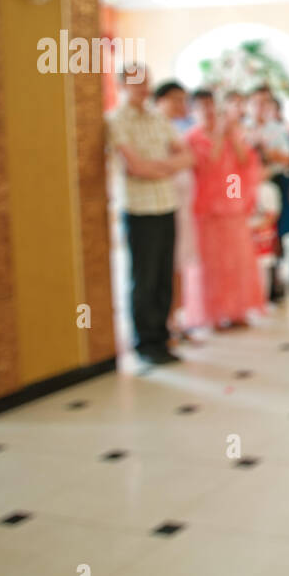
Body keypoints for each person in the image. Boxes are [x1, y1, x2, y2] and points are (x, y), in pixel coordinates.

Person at [107, 64, 193, 366]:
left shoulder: (158, 118)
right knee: (143, 277)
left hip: (166, 204)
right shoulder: (116, 120)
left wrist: (157, 167)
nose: (144, 88)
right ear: (122, 85)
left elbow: (187, 156)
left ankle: (162, 336)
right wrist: (164, 166)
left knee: (163, 275)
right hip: (139, 208)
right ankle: (145, 342)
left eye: (146, 82)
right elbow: (135, 167)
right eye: (137, 83)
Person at [184, 89, 265, 329]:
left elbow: (244, 162)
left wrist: (232, 138)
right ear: (193, 111)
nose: (209, 111)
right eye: (202, 107)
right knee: (212, 264)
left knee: (237, 260)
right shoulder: (193, 138)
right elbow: (207, 164)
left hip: (232, 203)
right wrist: (219, 137)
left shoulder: (232, 134)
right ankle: (214, 314)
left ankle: (237, 309)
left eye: (211, 106)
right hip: (207, 209)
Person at [152, 80, 205, 334]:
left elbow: (190, 159)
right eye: (175, 99)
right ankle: (168, 321)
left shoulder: (178, 130)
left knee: (181, 266)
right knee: (166, 266)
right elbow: (156, 164)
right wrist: (175, 163)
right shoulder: (156, 128)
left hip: (185, 206)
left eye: (184, 99)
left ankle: (179, 318)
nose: (181, 105)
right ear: (159, 101)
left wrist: (178, 161)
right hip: (163, 205)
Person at [248, 87, 289, 301]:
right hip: (245, 187)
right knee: (250, 233)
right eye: (256, 102)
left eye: (265, 103)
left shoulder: (277, 129)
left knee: (275, 231)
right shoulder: (241, 129)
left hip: (274, 183)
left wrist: (269, 153)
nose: (260, 107)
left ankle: (275, 281)